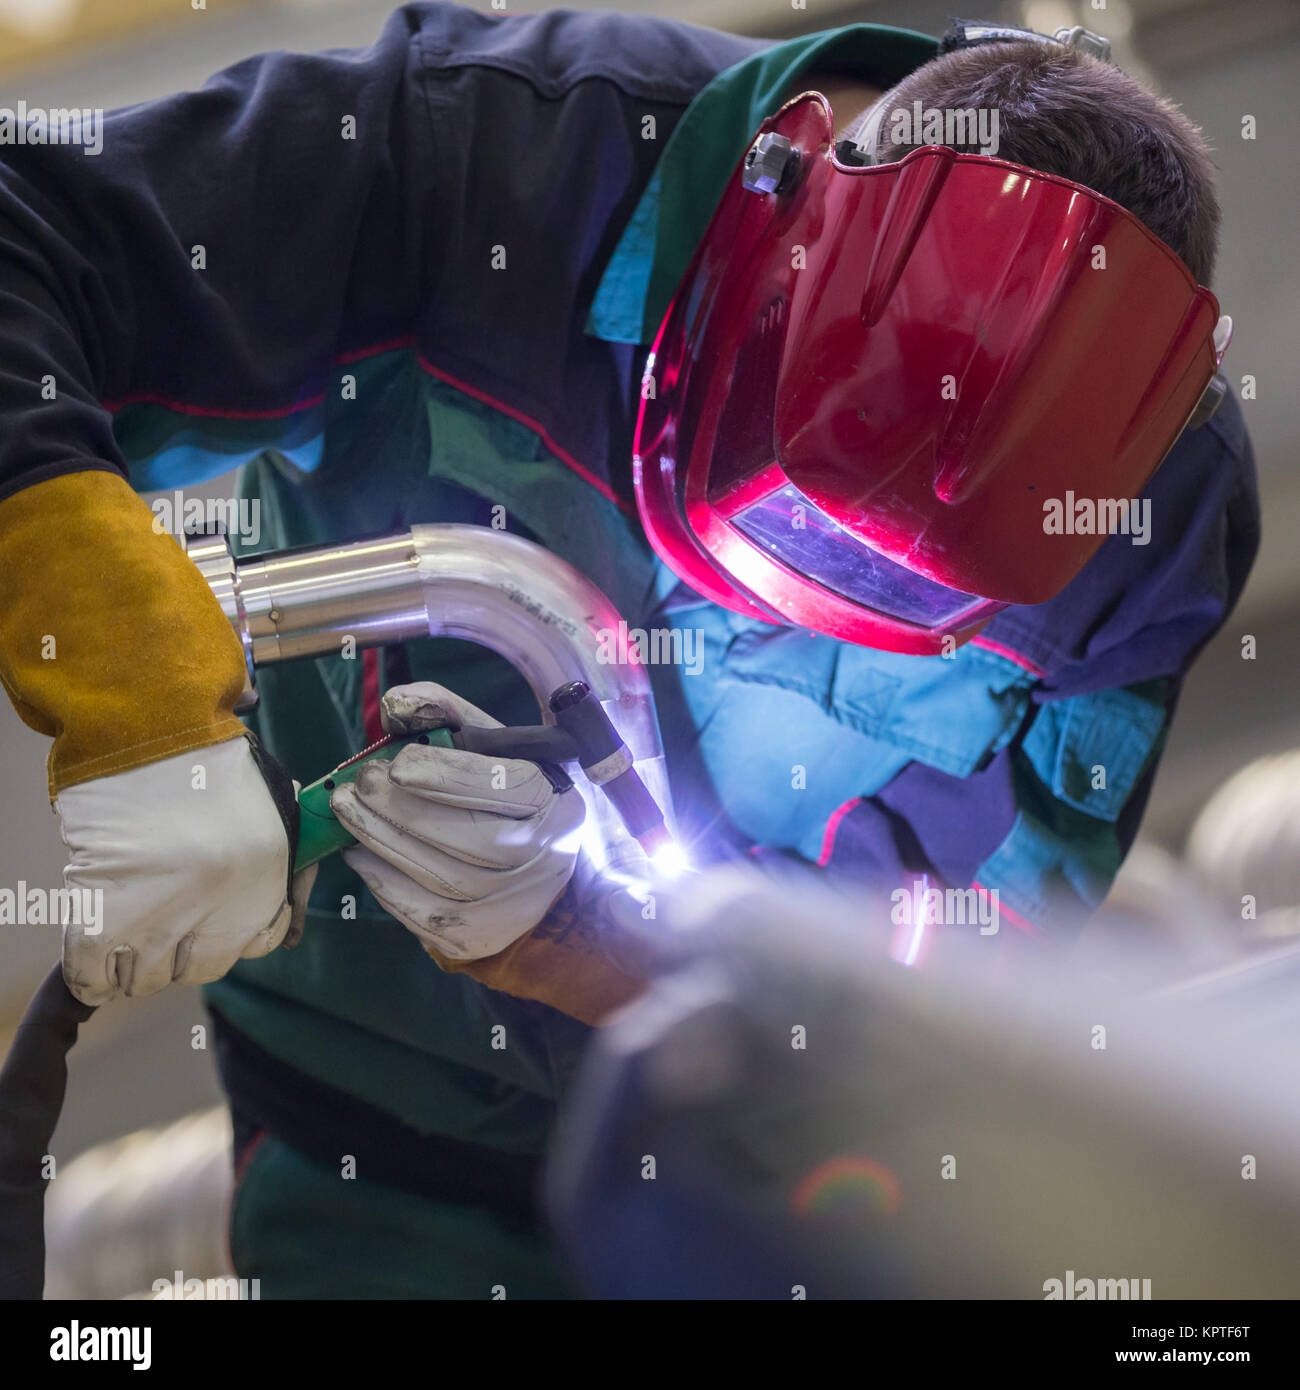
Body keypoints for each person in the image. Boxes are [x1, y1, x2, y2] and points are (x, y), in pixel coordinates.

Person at [0, 5, 1256, 1297]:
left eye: (887, 594)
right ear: (769, 214)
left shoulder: (1145, 529)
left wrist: (600, 946)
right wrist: (134, 695)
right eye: (782, 519)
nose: (792, 604)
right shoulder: (483, 157)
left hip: (779, 1163)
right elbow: (23, 245)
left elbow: (962, 985)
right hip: (383, 1140)